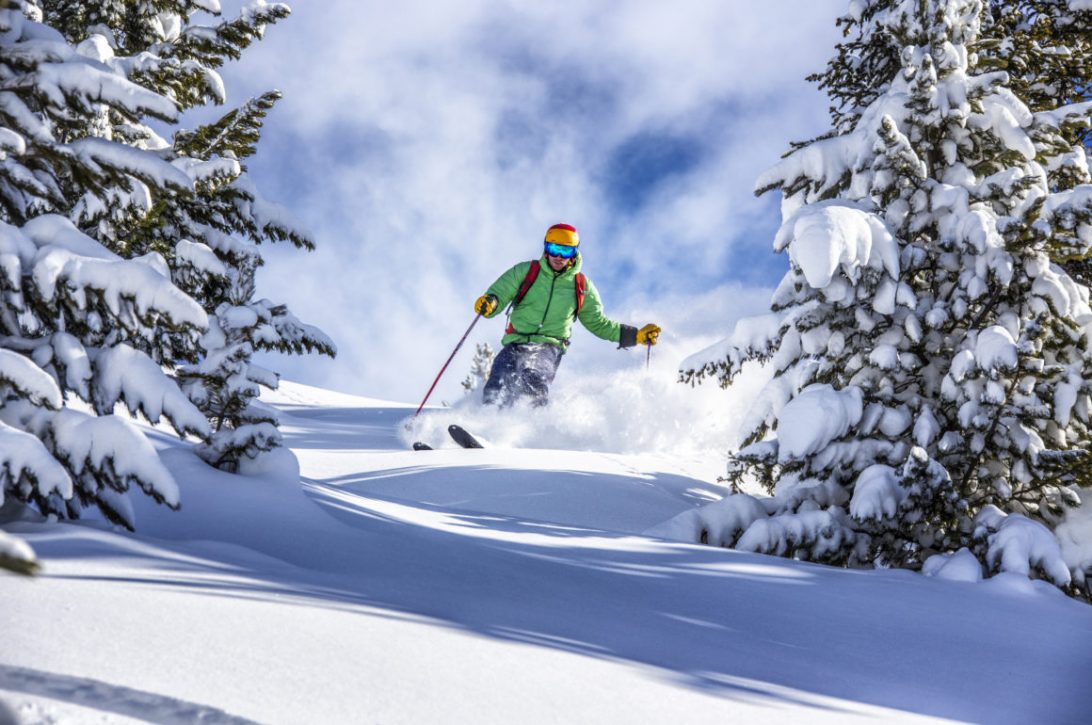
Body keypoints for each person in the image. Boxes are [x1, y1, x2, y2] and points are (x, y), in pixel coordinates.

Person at [473, 223, 660, 407]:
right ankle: (488, 422)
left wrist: (635, 336)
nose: (559, 257)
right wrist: (491, 302)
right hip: (516, 341)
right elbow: (501, 292)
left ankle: (529, 424)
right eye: (554, 249)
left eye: (566, 251)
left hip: (549, 346)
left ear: (574, 252)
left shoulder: (581, 286)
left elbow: (599, 323)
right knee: (498, 379)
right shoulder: (527, 271)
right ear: (546, 248)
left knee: (533, 378)